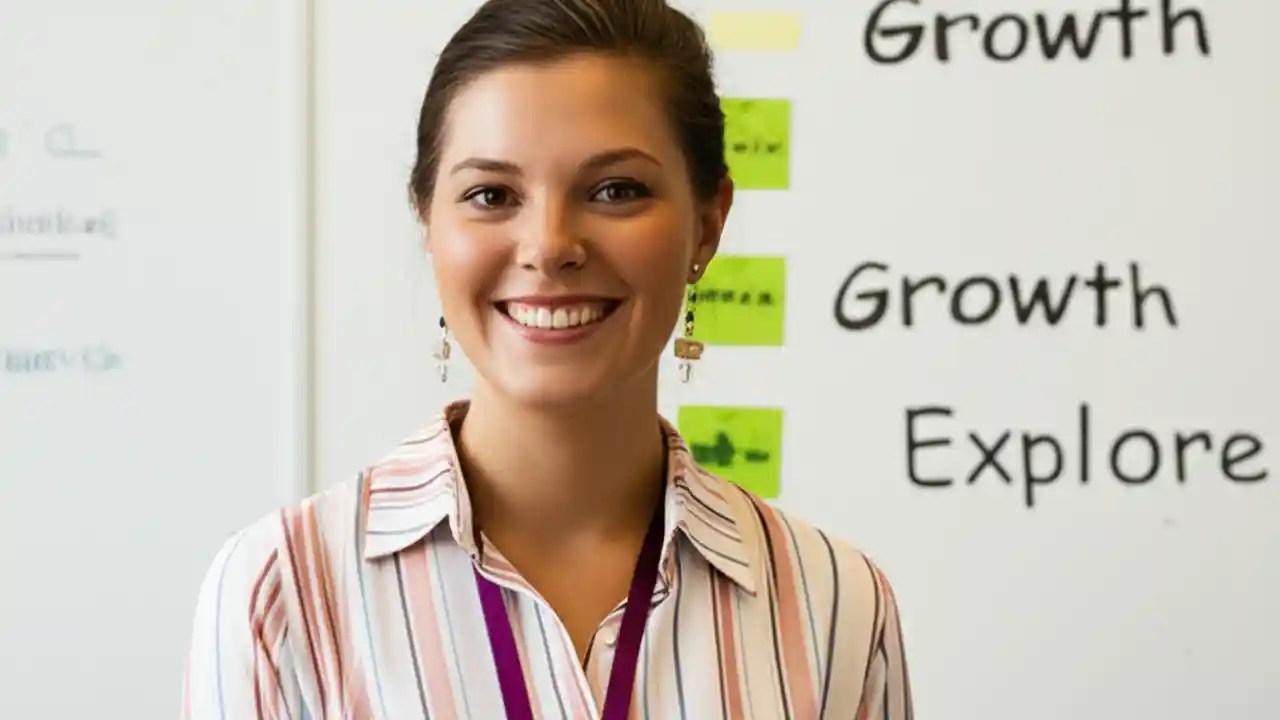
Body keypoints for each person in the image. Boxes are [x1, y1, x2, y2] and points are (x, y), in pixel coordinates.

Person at [180, 0, 912, 717]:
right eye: (492, 194)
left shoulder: (836, 604)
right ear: (428, 222)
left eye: (616, 190)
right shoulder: (284, 592)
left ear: (707, 224)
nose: (550, 245)